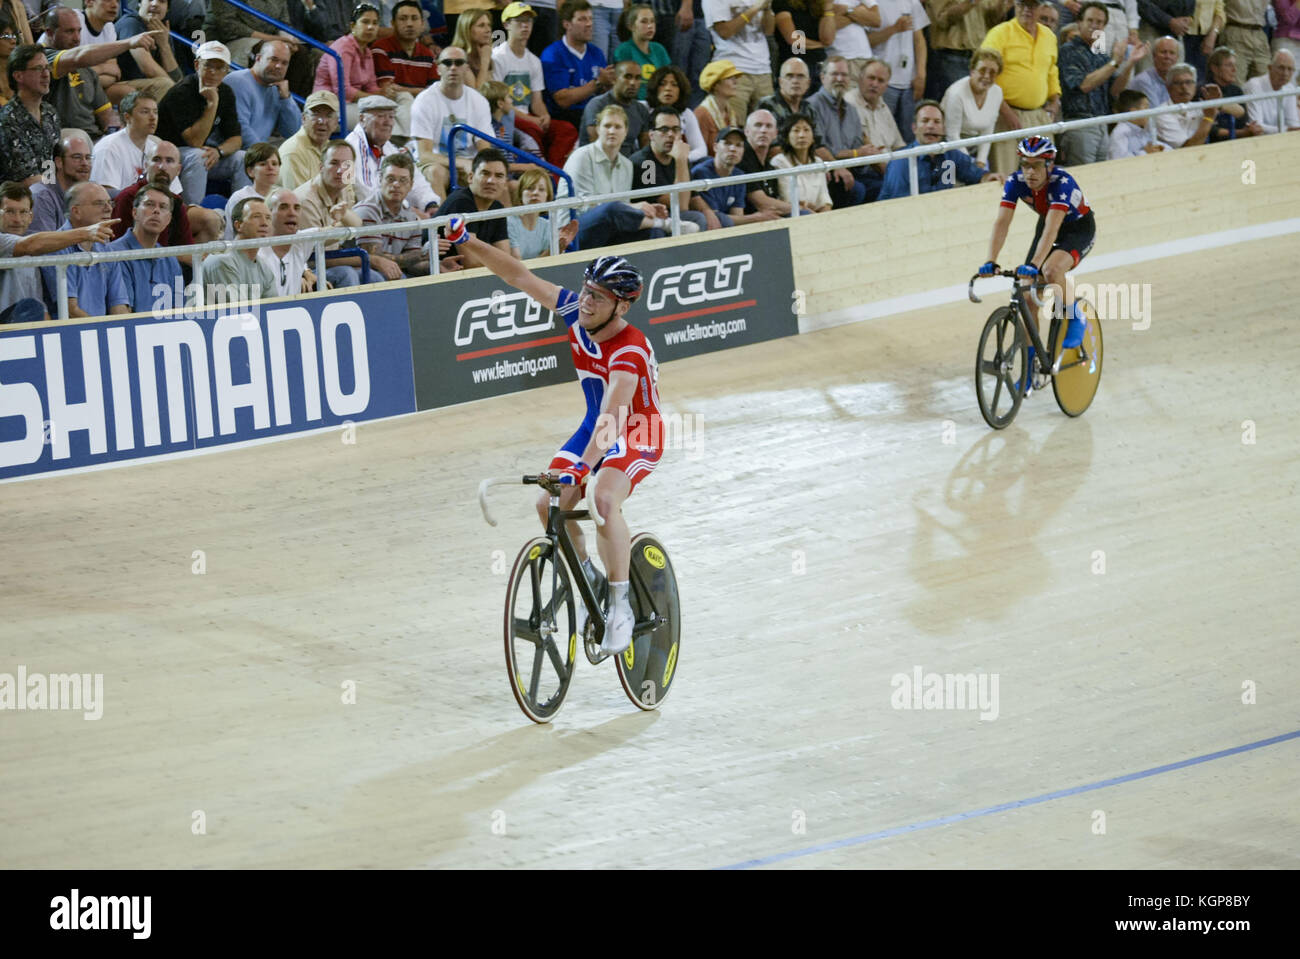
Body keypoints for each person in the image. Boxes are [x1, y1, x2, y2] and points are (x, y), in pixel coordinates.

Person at [444, 225, 663, 656]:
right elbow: (517, 276)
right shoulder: (572, 311)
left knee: (601, 499)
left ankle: (620, 604)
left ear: (621, 307)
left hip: (636, 429)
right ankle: (591, 579)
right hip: (593, 425)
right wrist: (467, 240)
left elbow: (614, 418)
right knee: (548, 503)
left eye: (598, 296)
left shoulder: (630, 348)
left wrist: (583, 468)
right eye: (586, 289)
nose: (585, 300)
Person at [978, 135, 1096, 394]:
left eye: (1036, 166)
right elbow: (1002, 223)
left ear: (1049, 166)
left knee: (1051, 270)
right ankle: (1032, 368)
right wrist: (991, 259)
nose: (1029, 172)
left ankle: (1075, 315)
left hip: (1077, 229)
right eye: (1025, 165)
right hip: (1048, 225)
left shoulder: (1062, 184)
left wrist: (1034, 263)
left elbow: (1053, 230)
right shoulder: (1015, 182)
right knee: (1028, 295)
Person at [1, 180, 119, 324]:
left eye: (23, 212)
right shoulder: (28, 245)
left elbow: (40, 307)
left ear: (31, 217)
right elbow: (29, 245)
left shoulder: (36, 249)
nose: (17, 219)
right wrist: (86, 233)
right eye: (9, 212)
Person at [558, 103, 674, 246]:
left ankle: (657, 232)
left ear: (626, 132)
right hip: (572, 232)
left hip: (609, 231)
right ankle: (664, 224)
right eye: (607, 126)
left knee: (653, 233)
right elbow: (585, 208)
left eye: (618, 127)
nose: (612, 131)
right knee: (610, 208)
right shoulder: (581, 156)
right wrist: (634, 208)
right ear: (598, 129)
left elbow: (621, 210)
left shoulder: (627, 165)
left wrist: (646, 210)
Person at [155, 41, 250, 204]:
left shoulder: (226, 93)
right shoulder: (182, 92)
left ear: (227, 71)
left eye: (219, 68)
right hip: (167, 153)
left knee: (243, 158)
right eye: (208, 66)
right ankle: (193, 213)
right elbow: (194, 141)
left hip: (199, 154)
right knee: (198, 157)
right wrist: (212, 105)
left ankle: (242, 213)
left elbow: (236, 139)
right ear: (197, 65)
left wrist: (219, 151)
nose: (213, 72)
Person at [493, 2, 580, 168]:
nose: (525, 25)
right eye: (519, 21)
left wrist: (544, 116)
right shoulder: (498, 57)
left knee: (566, 129)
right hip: (506, 116)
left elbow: (537, 101)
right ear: (506, 25)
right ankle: (541, 170)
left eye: (529, 21)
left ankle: (555, 176)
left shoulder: (533, 60)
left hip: (528, 117)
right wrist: (531, 120)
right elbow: (500, 104)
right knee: (532, 131)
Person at [981, 0, 1062, 173]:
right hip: (1005, 115)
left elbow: (1052, 71)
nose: (1026, 10)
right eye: (1021, 4)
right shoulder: (999, 33)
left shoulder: (1049, 37)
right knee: (1005, 177)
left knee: (1044, 176)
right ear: (1014, 5)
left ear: (1041, 7)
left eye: (1032, 5)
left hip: (1039, 116)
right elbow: (985, 76)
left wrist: (1055, 102)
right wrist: (1005, 111)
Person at [1057, 6, 1146, 164]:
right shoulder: (1068, 50)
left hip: (1102, 123)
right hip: (1080, 123)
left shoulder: (1101, 55)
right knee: (1082, 176)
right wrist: (1114, 62)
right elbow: (1083, 85)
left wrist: (1130, 62)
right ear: (1079, 23)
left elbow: (1115, 90)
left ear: (1104, 27)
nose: (1094, 25)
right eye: (1090, 20)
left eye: (1099, 22)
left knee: (1100, 175)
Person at [355, 151, 462, 276]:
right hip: (361, 272)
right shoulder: (368, 210)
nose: (396, 185)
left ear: (411, 185)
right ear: (380, 180)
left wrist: (436, 265)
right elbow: (374, 258)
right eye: (390, 179)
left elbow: (411, 265)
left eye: (403, 180)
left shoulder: (411, 217)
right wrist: (422, 254)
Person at [411, 46, 494, 199]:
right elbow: (424, 155)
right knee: (436, 173)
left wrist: (480, 166)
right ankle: (441, 222)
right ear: (438, 69)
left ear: (466, 68)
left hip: (470, 163)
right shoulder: (424, 101)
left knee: (496, 178)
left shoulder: (478, 101)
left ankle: (503, 222)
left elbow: (484, 149)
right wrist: (460, 162)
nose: (453, 68)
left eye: (459, 63)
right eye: (447, 63)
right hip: (435, 162)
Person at [39, 181, 130, 319]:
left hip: (98, 330)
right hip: (70, 334)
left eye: (109, 203)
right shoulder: (56, 248)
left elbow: (119, 305)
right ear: (76, 211)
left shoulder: (107, 249)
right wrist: (101, 332)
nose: (108, 209)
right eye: (99, 203)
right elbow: (70, 311)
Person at [878, 98, 999, 198]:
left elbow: (977, 175)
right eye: (925, 121)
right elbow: (898, 205)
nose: (931, 126)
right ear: (914, 128)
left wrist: (988, 177)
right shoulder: (900, 161)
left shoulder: (952, 154)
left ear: (943, 129)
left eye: (937, 122)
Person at [347, 94, 442, 212]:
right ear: (362, 119)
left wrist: (429, 204)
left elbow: (416, 180)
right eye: (381, 116)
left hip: (393, 216)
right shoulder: (350, 149)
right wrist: (408, 211)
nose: (388, 122)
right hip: (365, 218)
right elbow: (364, 192)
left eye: (391, 117)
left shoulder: (390, 148)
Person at [106, 184, 185, 313]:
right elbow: (122, 316)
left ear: (169, 219)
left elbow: (179, 311)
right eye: (149, 204)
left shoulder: (170, 259)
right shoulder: (114, 253)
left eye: (163, 207)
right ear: (134, 212)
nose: (156, 211)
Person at [628, 106, 708, 230]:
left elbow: (693, 195)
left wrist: (709, 212)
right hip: (649, 218)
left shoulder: (679, 154)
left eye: (676, 129)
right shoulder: (645, 163)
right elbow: (681, 205)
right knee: (697, 218)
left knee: (719, 218)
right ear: (651, 135)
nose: (671, 134)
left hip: (672, 214)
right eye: (664, 129)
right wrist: (681, 161)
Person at [542, 0, 617, 129]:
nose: (589, 24)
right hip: (564, 118)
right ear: (567, 24)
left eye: (590, 19)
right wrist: (598, 82)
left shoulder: (596, 52)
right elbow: (562, 100)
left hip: (593, 114)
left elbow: (603, 93)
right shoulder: (553, 54)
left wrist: (610, 84)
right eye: (582, 19)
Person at [436, 147, 515, 267]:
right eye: (485, 173)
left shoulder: (497, 208)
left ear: (505, 182)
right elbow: (471, 262)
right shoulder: (461, 202)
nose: (491, 181)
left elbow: (505, 256)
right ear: (470, 177)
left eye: (498, 176)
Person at [315, 2, 390, 129]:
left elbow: (371, 85)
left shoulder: (366, 51)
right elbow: (342, 91)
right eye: (365, 22)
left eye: (375, 23)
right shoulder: (343, 47)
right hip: (329, 106)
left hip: (353, 104)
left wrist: (383, 93)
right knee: (378, 119)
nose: (371, 27)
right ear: (353, 26)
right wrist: (376, 98)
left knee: (393, 109)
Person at [689, 125, 783, 226]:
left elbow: (738, 216)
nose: (733, 149)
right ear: (715, 147)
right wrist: (757, 218)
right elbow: (716, 218)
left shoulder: (739, 175)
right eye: (727, 143)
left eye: (738, 145)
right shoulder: (701, 173)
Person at [372, 0, 437, 137]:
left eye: (414, 19)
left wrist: (405, 89)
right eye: (403, 19)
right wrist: (418, 91)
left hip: (422, 110)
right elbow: (390, 90)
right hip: (390, 109)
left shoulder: (428, 55)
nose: (409, 24)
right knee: (404, 97)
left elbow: (434, 93)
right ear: (392, 24)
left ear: (422, 24)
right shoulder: (381, 48)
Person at [703, 0, 777, 118]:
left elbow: (769, 31)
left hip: (763, 70)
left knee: (767, 126)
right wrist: (755, 8)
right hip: (733, 71)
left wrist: (767, 8)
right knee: (734, 127)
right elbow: (725, 32)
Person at [224, 39, 303, 147]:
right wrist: (265, 156)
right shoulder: (237, 81)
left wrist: (286, 99)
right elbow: (239, 129)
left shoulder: (276, 90)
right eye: (273, 59)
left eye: (284, 63)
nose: (278, 66)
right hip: (233, 154)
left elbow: (293, 132)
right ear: (258, 58)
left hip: (256, 154)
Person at [870, 0, 930, 133]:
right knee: (883, 134)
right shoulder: (871, 3)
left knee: (911, 135)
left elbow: (919, 40)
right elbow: (867, 41)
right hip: (882, 83)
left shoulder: (912, 2)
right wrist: (894, 29)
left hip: (909, 82)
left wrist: (921, 74)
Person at [205, 196, 276, 305]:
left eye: (268, 218)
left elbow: (273, 308)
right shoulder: (222, 261)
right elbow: (237, 313)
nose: (264, 223)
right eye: (256, 217)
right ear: (238, 225)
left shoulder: (264, 269)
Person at [941, 49, 1005, 167]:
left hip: (974, 149)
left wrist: (981, 162)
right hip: (950, 149)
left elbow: (988, 131)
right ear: (972, 71)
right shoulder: (956, 93)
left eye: (992, 72)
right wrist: (970, 165)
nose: (987, 76)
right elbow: (952, 135)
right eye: (982, 70)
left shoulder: (997, 92)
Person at [258, 188, 319, 296]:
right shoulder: (255, 251)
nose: (292, 213)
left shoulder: (301, 240)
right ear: (268, 214)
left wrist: (342, 214)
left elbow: (342, 231)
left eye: (297, 208)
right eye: (283, 207)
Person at [507, 167, 580, 257]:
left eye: (541, 189)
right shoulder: (509, 222)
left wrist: (559, 247)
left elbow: (548, 264)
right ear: (520, 194)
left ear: (547, 196)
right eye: (530, 188)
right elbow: (517, 265)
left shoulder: (548, 225)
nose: (535, 193)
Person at [30, 131, 93, 233]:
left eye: (88, 157)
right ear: (59, 162)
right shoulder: (41, 196)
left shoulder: (92, 192)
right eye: (77, 157)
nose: (85, 163)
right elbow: (44, 245)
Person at [580, 60, 651, 150]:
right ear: (614, 79)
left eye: (637, 78)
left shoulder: (641, 110)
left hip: (628, 162)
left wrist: (648, 164)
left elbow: (645, 150)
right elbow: (597, 148)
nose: (633, 83)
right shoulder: (597, 105)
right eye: (627, 77)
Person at [770, 113, 834, 212]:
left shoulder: (818, 162)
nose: (801, 135)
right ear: (787, 137)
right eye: (796, 130)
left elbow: (824, 199)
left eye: (806, 130)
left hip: (815, 215)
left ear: (813, 137)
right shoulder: (779, 162)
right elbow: (789, 199)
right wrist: (809, 210)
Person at [277, 90, 340, 189]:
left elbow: (349, 190)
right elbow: (299, 200)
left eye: (328, 115)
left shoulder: (338, 151)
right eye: (315, 114)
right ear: (303, 119)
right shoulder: (293, 151)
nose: (322, 121)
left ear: (336, 123)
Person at [646, 65, 708, 160]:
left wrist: (678, 159)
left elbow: (701, 149)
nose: (668, 88)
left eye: (674, 84)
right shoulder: (643, 108)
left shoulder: (686, 113)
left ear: (681, 90)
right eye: (662, 84)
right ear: (654, 87)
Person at [1153, 61, 1220, 145]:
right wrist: (1209, 117)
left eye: (1188, 82)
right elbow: (1188, 148)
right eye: (1178, 83)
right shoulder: (1161, 113)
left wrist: (1217, 102)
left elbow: (1239, 112)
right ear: (1168, 88)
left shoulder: (1196, 106)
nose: (1184, 87)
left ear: (1195, 86)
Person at [223, 142, 282, 239]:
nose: (271, 168)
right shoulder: (240, 197)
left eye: (274, 164)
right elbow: (233, 236)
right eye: (263, 164)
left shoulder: (283, 195)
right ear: (250, 171)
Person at [614, 3, 671, 97]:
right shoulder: (624, 50)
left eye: (652, 21)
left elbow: (666, 80)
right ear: (631, 26)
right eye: (644, 22)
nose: (650, 26)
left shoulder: (659, 49)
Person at [1242, 49, 1300, 133]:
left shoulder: (1290, 88)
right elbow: (1257, 128)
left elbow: (1293, 125)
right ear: (1270, 68)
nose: (1285, 73)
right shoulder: (1254, 85)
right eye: (1281, 68)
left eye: (1290, 69)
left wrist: (1288, 130)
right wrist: (1286, 130)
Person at [693, 59, 742, 153]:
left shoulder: (732, 114)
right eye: (729, 78)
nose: (735, 82)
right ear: (715, 85)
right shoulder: (702, 114)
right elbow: (699, 153)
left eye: (735, 78)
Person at [1107, 87, 1171, 154]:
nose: (1149, 111)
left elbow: (1158, 145)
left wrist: (1162, 149)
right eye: (1146, 107)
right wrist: (1145, 153)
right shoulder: (1120, 132)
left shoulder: (1143, 129)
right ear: (1134, 112)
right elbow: (1119, 160)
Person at [451, 7, 497, 90]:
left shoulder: (485, 53)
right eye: (481, 25)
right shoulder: (457, 58)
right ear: (467, 29)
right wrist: (485, 62)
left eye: (489, 25)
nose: (488, 30)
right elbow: (476, 95)